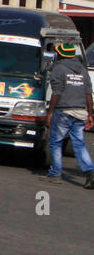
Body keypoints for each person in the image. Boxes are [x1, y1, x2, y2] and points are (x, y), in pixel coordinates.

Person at [43, 40, 94, 188]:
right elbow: (88, 95)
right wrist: (90, 114)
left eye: (58, 53)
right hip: (81, 112)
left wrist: (50, 112)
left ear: (61, 55)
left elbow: (56, 93)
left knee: (56, 142)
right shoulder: (83, 71)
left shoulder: (59, 69)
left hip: (63, 111)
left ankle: (55, 174)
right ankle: (90, 172)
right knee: (79, 143)